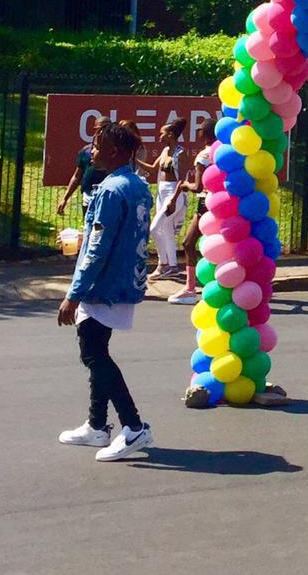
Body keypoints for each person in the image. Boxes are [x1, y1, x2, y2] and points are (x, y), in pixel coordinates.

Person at [57, 120, 155, 461]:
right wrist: (83, 238)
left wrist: (74, 294)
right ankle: (97, 426)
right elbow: (120, 236)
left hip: (104, 285)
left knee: (93, 354)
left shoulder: (111, 189)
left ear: (114, 151)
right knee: (97, 350)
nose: (92, 150)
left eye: (97, 145)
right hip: (125, 282)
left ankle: (133, 427)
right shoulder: (138, 186)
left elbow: (99, 249)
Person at [167, 117, 216, 306]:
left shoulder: (204, 156)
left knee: (188, 243)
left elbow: (197, 187)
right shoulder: (224, 152)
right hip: (224, 206)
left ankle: (189, 289)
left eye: (200, 129)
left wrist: (185, 184)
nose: (198, 133)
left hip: (206, 205)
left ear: (205, 133)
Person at [142, 118, 186, 279]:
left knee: (154, 228)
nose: (159, 136)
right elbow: (154, 169)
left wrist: (174, 200)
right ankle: (173, 266)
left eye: (162, 133)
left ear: (171, 134)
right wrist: (133, 159)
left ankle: (163, 264)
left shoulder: (180, 153)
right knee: (166, 230)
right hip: (162, 193)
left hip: (173, 194)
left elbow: (182, 180)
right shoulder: (165, 151)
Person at [57, 117, 111, 217]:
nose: (104, 131)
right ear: (95, 130)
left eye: (108, 128)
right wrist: (65, 198)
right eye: (101, 128)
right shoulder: (86, 151)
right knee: (88, 227)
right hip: (88, 196)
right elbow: (77, 176)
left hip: (109, 199)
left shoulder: (115, 153)